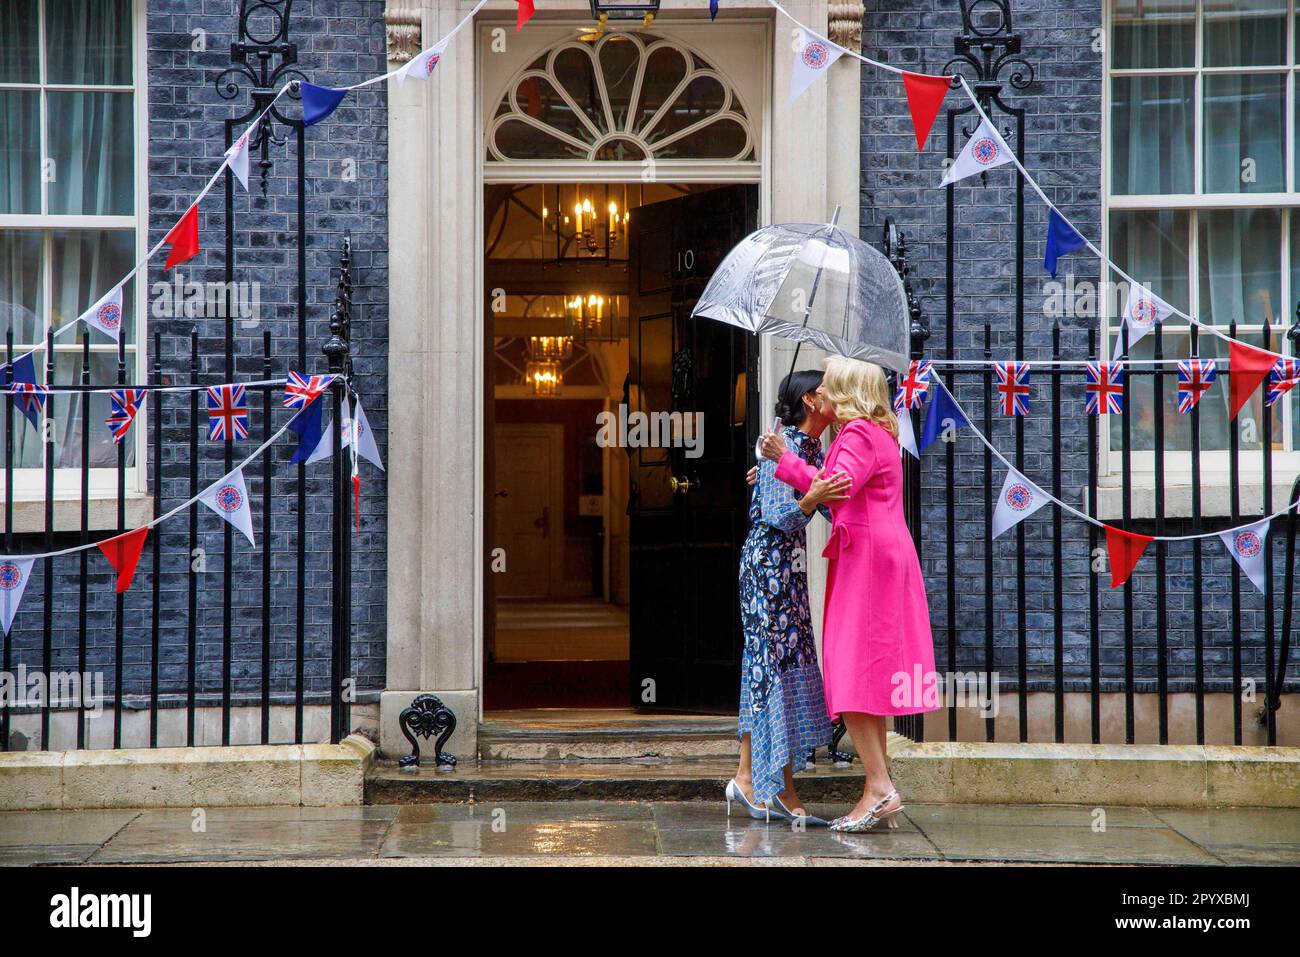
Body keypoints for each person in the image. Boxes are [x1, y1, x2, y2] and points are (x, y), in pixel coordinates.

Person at [761, 355, 938, 832]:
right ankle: (878, 786)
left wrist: (784, 459)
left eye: (831, 385)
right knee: (868, 669)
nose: (823, 394)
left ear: (848, 391)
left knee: (852, 668)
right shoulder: (877, 432)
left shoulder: (858, 434)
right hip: (875, 555)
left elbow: (835, 491)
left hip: (868, 561)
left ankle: (880, 787)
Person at [728, 370, 850, 826]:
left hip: (788, 574)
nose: (839, 399)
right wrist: (808, 496)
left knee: (776, 666)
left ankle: (746, 777)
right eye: (830, 392)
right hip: (767, 572)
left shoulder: (812, 450)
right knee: (771, 668)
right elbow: (780, 514)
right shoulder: (786, 445)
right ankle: (777, 787)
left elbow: (832, 503)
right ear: (812, 401)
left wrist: (815, 491)